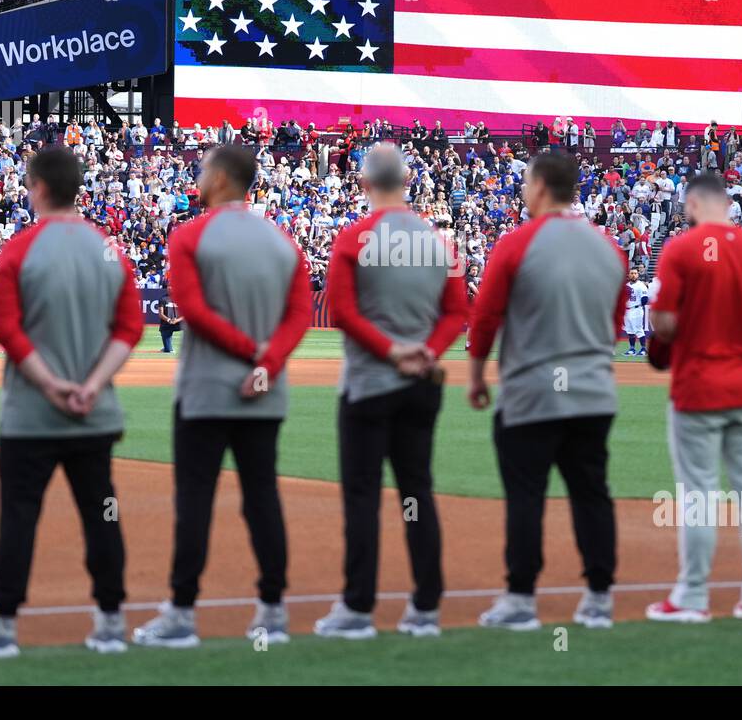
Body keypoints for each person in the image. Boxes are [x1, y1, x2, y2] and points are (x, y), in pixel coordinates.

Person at [0, 146, 143, 657]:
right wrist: (89, 384)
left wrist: (49, 384)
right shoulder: (110, 249)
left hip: (30, 413)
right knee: (102, 514)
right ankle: (110, 622)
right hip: (95, 411)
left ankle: (2, 625)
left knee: (19, 517)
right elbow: (130, 327)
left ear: (37, 186)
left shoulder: (18, 250)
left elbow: (5, 328)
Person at [133, 145, 312, 647]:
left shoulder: (190, 235)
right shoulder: (282, 241)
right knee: (262, 499)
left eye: (203, 167)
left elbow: (191, 307)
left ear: (220, 178)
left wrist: (250, 353)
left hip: (206, 391)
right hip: (265, 392)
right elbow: (300, 313)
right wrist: (267, 361)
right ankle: (273, 611)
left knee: (195, 501)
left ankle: (182, 614)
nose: (198, 174)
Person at [467, 152, 629, 630]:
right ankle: (599, 598)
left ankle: (520, 599)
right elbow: (615, 325)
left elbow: (486, 317)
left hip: (531, 393)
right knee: (591, 493)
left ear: (538, 186)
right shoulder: (609, 248)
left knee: (525, 496)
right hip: (593, 392)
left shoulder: (516, 244)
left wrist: (476, 377)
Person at [314, 144, 469, 639]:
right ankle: (425, 606)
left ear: (363, 183)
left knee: (362, 497)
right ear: (406, 180)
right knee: (416, 491)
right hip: (420, 385)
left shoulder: (354, 237)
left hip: (368, 385)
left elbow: (343, 313)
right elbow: (455, 313)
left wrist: (391, 352)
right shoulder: (436, 241)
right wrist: (425, 353)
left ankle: (358, 609)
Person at [645, 171, 742, 623]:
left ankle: (692, 598)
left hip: (699, 386)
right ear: (728, 204)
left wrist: (696, 325)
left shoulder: (682, 249)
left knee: (698, 495)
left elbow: (665, 323)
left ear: (691, 205)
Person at [622, 266, 649, 355]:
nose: (633, 275)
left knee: (638, 330)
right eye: (632, 273)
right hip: (627, 310)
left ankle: (643, 349)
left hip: (636, 309)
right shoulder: (626, 286)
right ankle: (632, 349)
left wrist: (639, 306)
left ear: (638, 275)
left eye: (635, 273)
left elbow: (644, 299)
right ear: (629, 275)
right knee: (629, 330)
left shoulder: (641, 285)